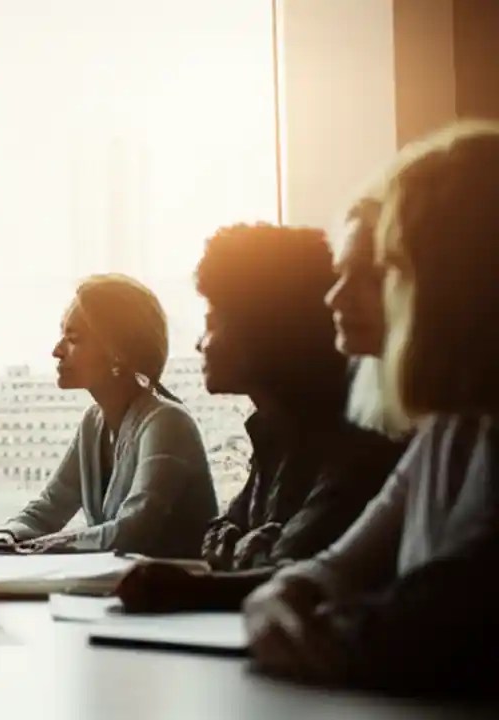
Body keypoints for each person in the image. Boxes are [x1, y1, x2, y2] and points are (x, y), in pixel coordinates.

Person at [244, 121, 499, 696]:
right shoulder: (448, 431)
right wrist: (280, 599)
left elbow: (435, 618)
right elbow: (329, 570)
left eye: (392, 270)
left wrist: (296, 613)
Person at [116, 217, 405, 611]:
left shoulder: (357, 439)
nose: (202, 343)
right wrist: (239, 547)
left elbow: (297, 568)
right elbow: (224, 531)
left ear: (264, 327)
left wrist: (196, 584)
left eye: (214, 322)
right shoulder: (273, 431)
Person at [0, 274, 217, 557]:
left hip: (180, 597)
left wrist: (38, 547)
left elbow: (133, 530)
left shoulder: (167, 423)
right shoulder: (93, 423)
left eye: (73, 338)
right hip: (124, 593)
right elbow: (47, 510)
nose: (57, 351)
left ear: (117, 353)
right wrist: (3, 537)